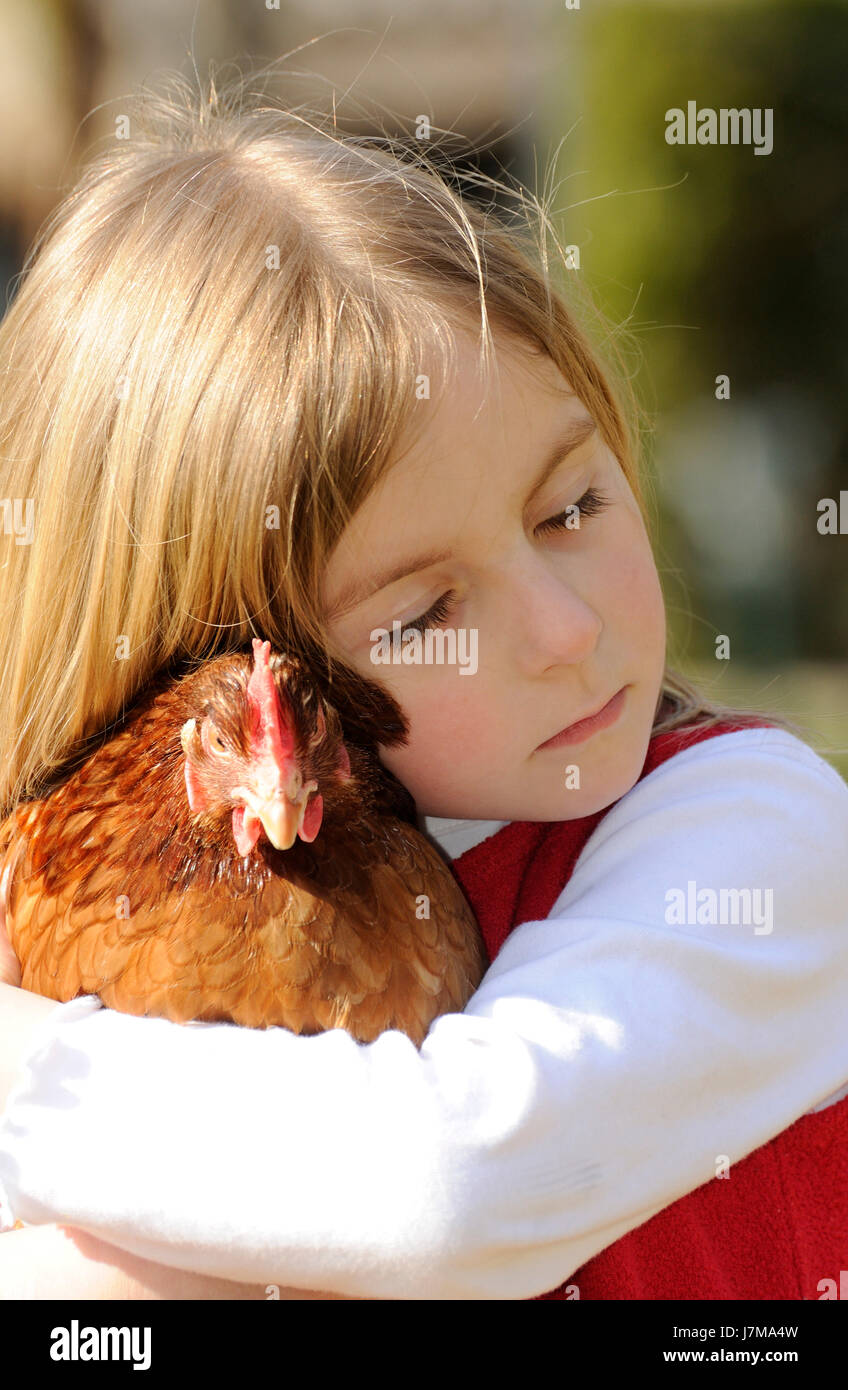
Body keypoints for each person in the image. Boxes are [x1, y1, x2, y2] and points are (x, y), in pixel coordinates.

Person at [0, 70, 846, 1301]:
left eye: (570, 506)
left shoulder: (754, 837)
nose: (562, 629)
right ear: (240, 668)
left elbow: (449, 1188)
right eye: (425, 610)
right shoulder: (128, 919)